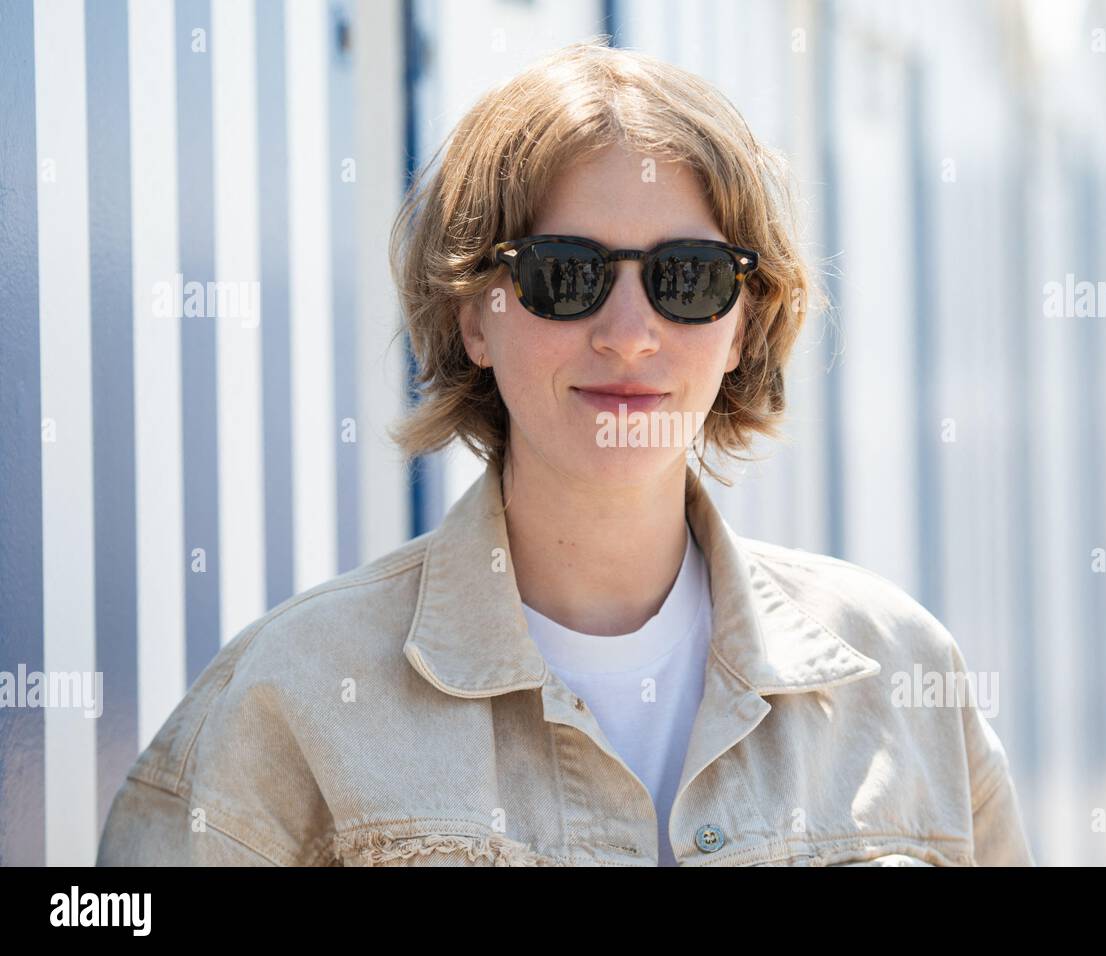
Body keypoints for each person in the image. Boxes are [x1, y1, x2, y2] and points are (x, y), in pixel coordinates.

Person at [96, 36, 1033, 867]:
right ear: (473, 313)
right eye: (565, 275)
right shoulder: (291, 701)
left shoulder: (901, 677)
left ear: (745, 322)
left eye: (688, 279)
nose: (629, 333)